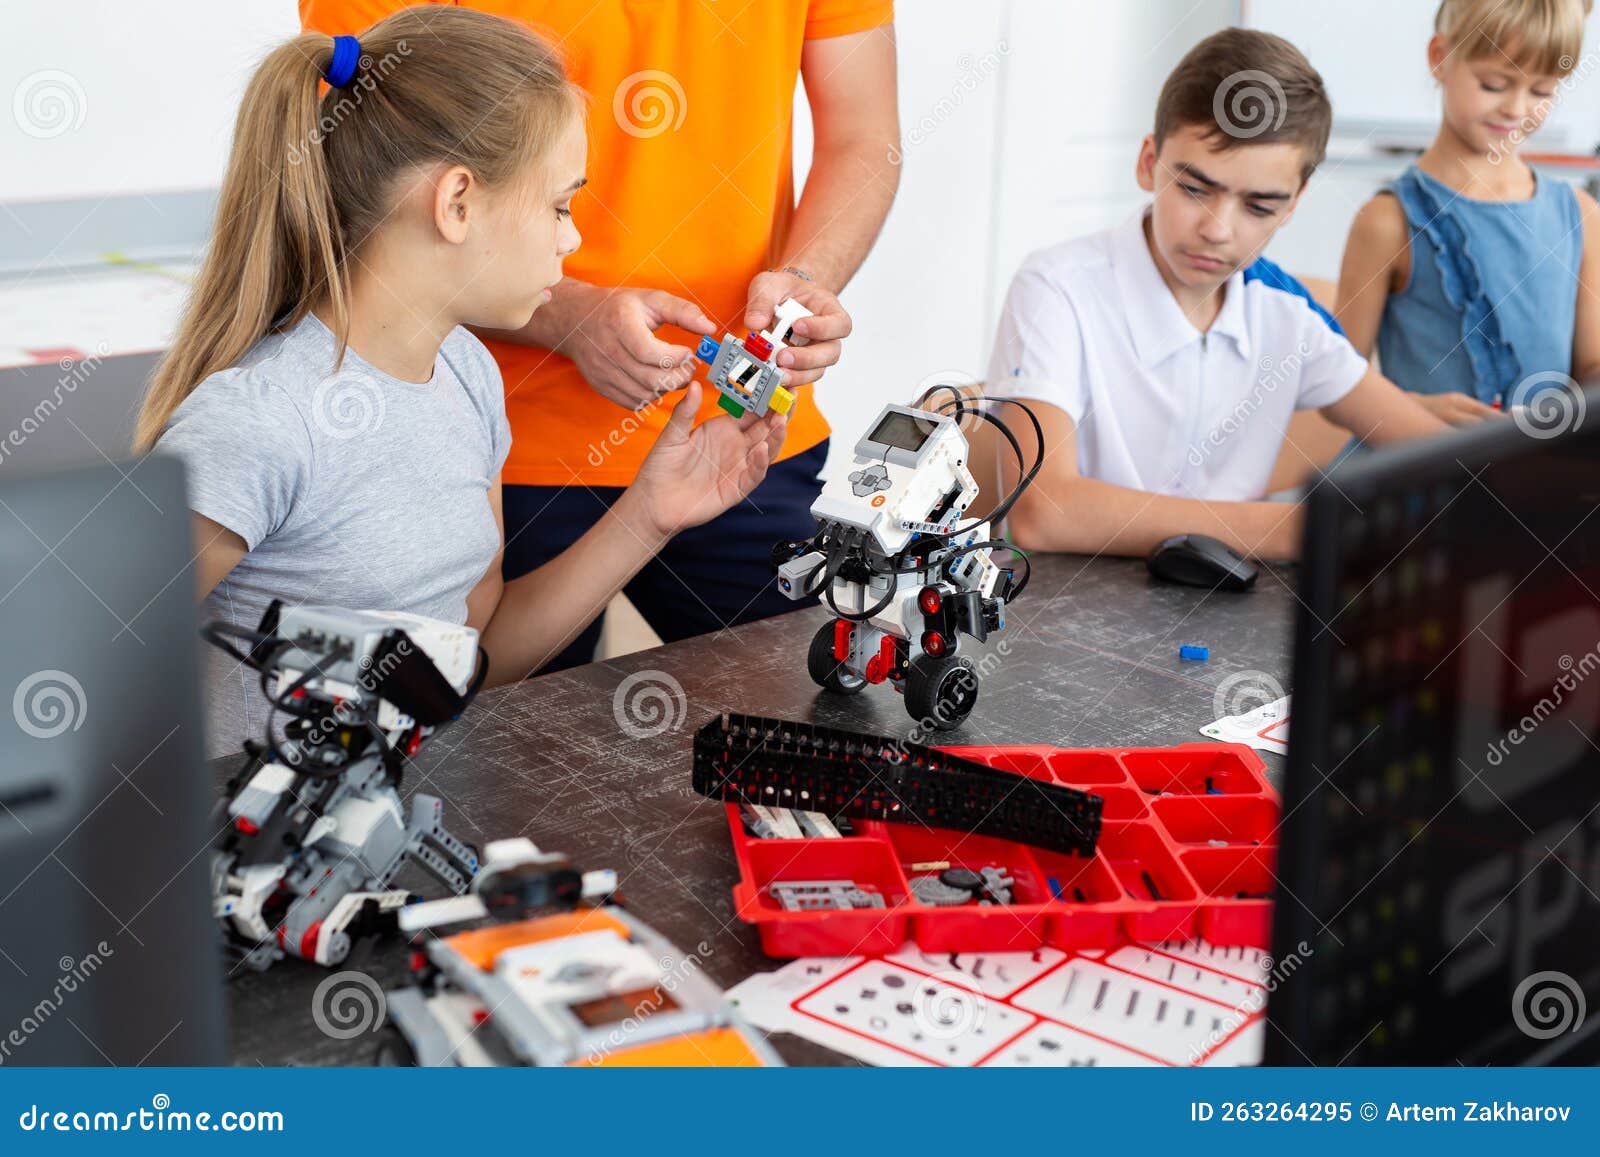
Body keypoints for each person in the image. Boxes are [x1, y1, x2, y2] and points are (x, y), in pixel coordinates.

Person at [136, 8, 785, 755]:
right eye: (560, 204)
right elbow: (85, 665)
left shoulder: (469, 377)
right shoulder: (260, 423)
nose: (572, 238)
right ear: (456, 204)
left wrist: (651, 515)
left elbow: (475, 657)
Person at [302, 0, 901, 668]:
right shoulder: (276, 428)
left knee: (798, 726)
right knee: (505, 754)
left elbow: (864, 138)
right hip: (508, 448)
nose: (576, 235)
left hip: (730, 444)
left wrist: (802, 279)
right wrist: (567, 316)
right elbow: (368, 180)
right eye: (562, 208)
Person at [986, 29, 1448, 560]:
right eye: (1194, 188)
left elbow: (1457, 466)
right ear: (1147, 162)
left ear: (1293, 204)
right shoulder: (1056, 288)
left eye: (1259, 207)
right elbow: (1043, 515)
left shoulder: (1287, 313)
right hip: (1069, 618)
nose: (1218, 229)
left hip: (1221, 614)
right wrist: (1299, 529)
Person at [1336, 0, 1600, 422]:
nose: (1515, 109)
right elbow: (1336, 385)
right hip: (1421, 474)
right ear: (1440, 59)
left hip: (1537, 480)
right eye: (1494, 85)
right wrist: (1412, 409)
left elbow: (1591, 368)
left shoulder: (1581, 217)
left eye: (1542, 91)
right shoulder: (1387, 220)